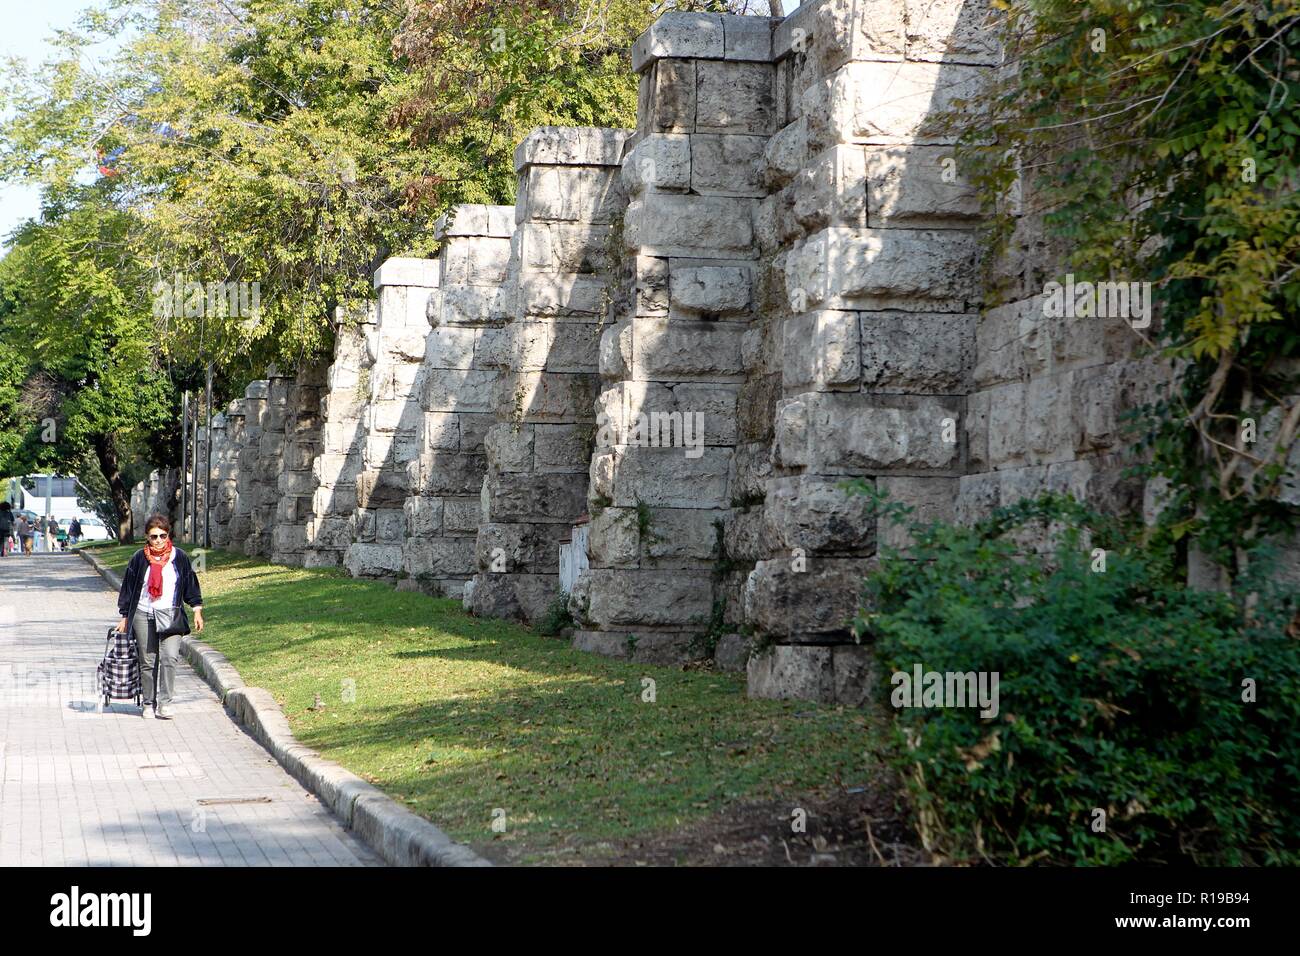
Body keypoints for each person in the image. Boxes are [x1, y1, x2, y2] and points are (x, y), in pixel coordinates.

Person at [114, 515, 204, 720]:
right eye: (154, 536)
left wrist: (197, 609)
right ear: (147, 537)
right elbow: (129, 587)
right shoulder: (139, 558)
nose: (158, 540)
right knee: (147, 660)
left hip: (170, 614)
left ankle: (165, 703)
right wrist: (125, 615)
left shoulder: (178, 557)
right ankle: (148, 703)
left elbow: (190, 583)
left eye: (163, 535)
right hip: (143, 613)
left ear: (168, 535)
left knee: (170, 657)